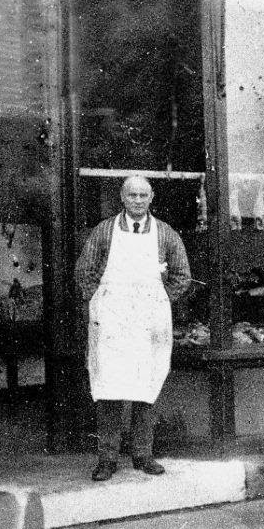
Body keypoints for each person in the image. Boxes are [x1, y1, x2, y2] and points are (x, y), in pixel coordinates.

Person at [75, 175, 191, 481]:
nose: (137, 200)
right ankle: (107, 459)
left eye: (142, 195)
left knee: (145, 389)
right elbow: (84, 271)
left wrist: (160, 300)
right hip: (113, 322)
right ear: (122, 198)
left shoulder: (166, 234)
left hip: (148, 323)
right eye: (131, 195)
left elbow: (182, 275)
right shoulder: (104, 231)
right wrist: (100, 301)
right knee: (109, 391)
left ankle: (143, 455)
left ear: (151, 197)